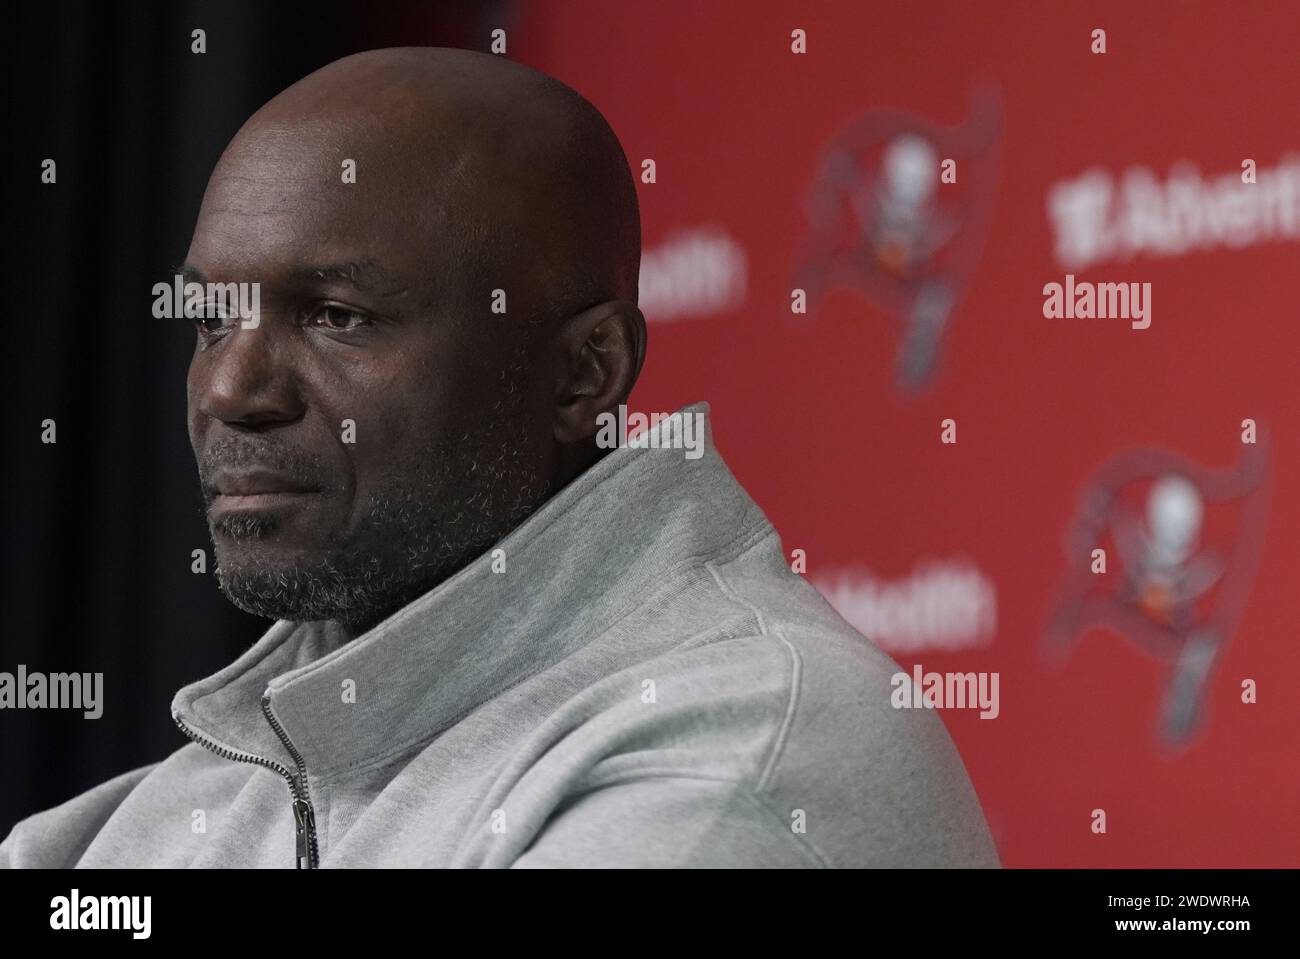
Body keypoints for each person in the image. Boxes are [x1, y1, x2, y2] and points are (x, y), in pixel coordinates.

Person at [0, 47, 998, 868]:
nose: (230, 390)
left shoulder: (737, 751)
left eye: (338, 317)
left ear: (581, 373)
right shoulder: (140, 823)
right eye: (212, 319)